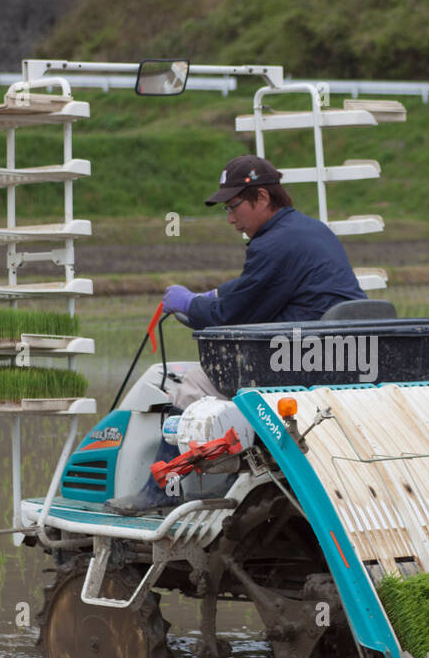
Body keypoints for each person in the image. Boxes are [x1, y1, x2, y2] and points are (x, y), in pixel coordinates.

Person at [106, 154, 366, 515]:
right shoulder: (311, 230)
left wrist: (191, 305)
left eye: (233, 207)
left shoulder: (272, 244)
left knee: (191, 385)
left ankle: (162, 490)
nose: (230, 219)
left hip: (298, 361)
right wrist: (214, 294)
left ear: (261, 198)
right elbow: (257, 288)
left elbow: (228, 316)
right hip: (333, 355)